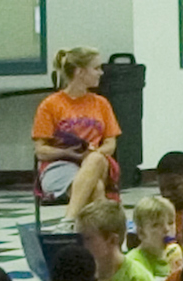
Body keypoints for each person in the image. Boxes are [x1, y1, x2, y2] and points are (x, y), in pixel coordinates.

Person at [32, 46, 120, 218]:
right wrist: (68, 153)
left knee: (95, 159)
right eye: (96, 68)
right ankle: (99, 228)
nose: (101, 73)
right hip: (60, 164)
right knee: (95, 188)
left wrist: (91, 153)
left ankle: (69, 219)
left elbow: (110, 144)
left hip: (97, 161)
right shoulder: (50, 105)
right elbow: (41, 150)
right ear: (80, 71)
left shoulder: (101, 103)